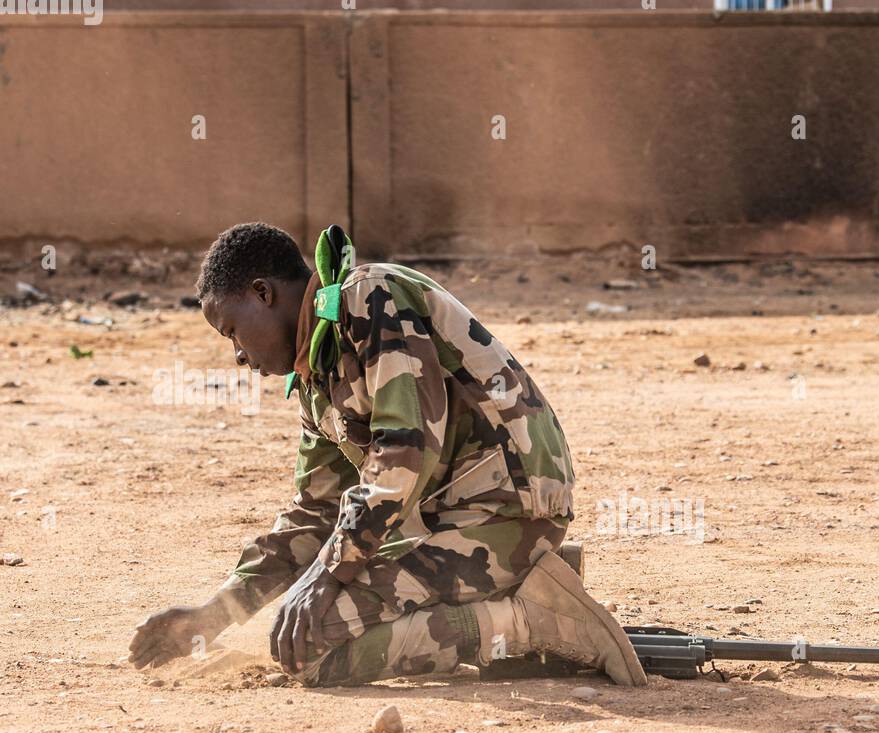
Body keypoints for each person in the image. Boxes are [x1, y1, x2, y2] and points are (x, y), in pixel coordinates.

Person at [128, 222, 646, 688]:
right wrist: (212, 616)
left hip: (509, 509)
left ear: (262, 293)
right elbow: (313, 512)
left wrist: (328, 573)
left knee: (315, 649)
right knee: (307, 632)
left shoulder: (368, 299)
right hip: (456, 524)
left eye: (232, 332)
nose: (239, 355)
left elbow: (404, 450)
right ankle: (516, 583)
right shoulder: (315, 375)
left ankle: (531, 619)